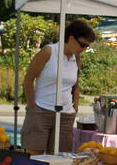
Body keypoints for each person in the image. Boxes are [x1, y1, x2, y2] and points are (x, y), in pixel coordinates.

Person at [21, 20, 94, 155]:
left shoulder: (76, 58)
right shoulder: (49, 51)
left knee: (60, 158)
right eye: (83, 45)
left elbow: (76, 86)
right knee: (34, 158)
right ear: (71, 38)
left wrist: (75, 107)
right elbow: (28, 79)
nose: (84, 49)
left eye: (87, 47)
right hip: (41, 110)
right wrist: (32, 106)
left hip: (65, 114)